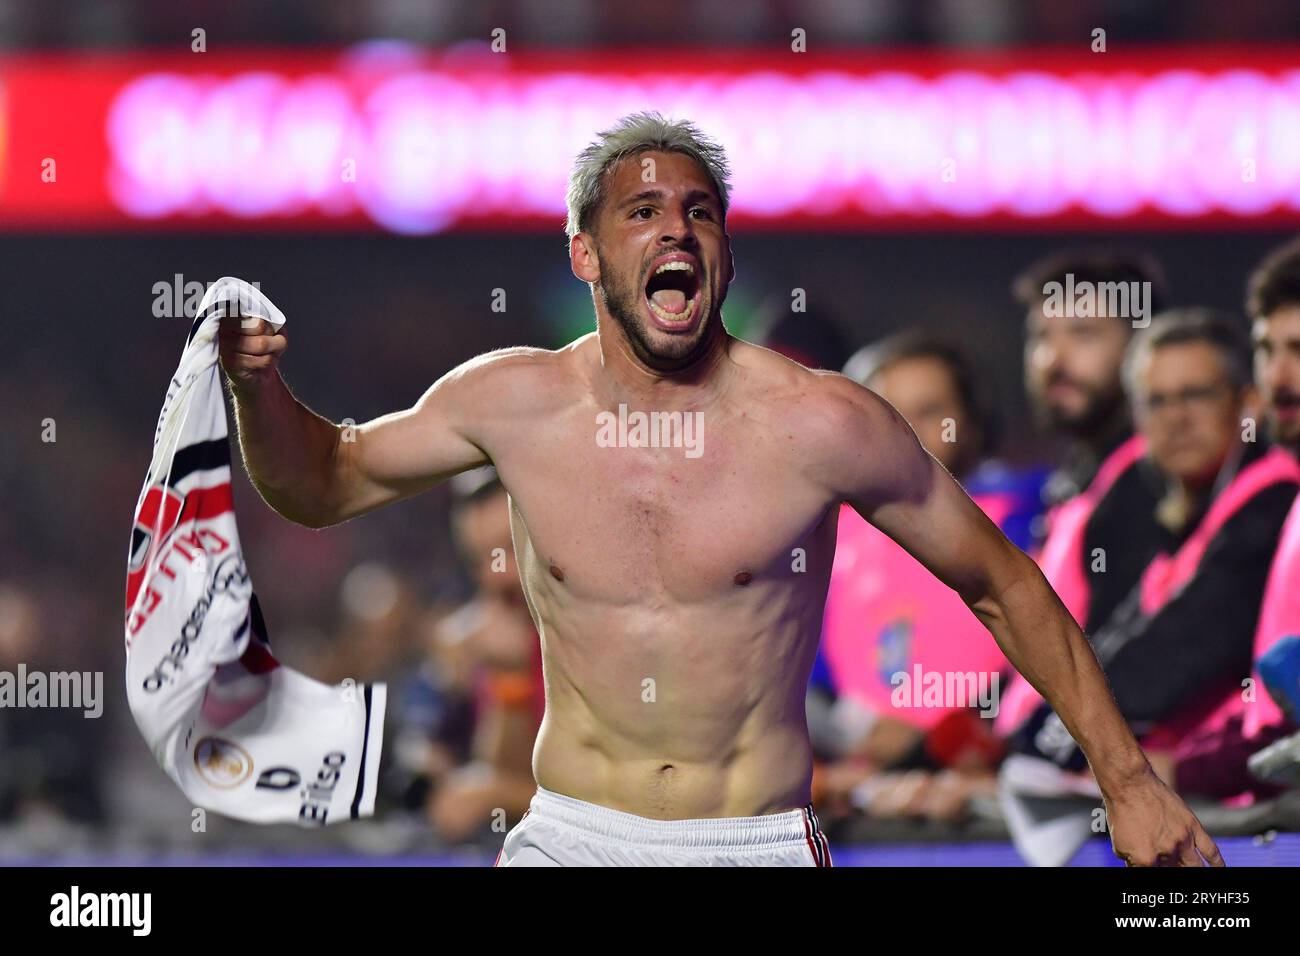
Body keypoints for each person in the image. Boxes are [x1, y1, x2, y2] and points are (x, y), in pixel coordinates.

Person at [218, 111, 1219, 867]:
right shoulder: (512, 400)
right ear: (585, 252)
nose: (676, 232)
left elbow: (1003, 580)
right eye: (642, 212)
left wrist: (1125, 778)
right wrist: (259, 389)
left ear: (726, 251)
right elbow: (322, 483)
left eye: (700, 212)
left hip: (755, 841)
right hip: (570, 835)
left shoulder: (823, 422)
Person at [1001, 311, 1299, 799]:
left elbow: (1179, 647)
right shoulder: (1183, 523)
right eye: (1155, 401)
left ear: (1248, 404)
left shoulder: (1272, 500)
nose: (1176, 417)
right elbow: (1118, 641)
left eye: (1196, 395)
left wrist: (1047, 745)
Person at [815, 334, 1042, 822]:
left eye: (930, 410)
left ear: (974, 422)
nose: (907, 432)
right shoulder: (820, 540)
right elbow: (796, 687)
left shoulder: (1033, 517)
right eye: (887, 413)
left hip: (983, 796)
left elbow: (1053, 659)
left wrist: (939, 739)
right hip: (854, 798)